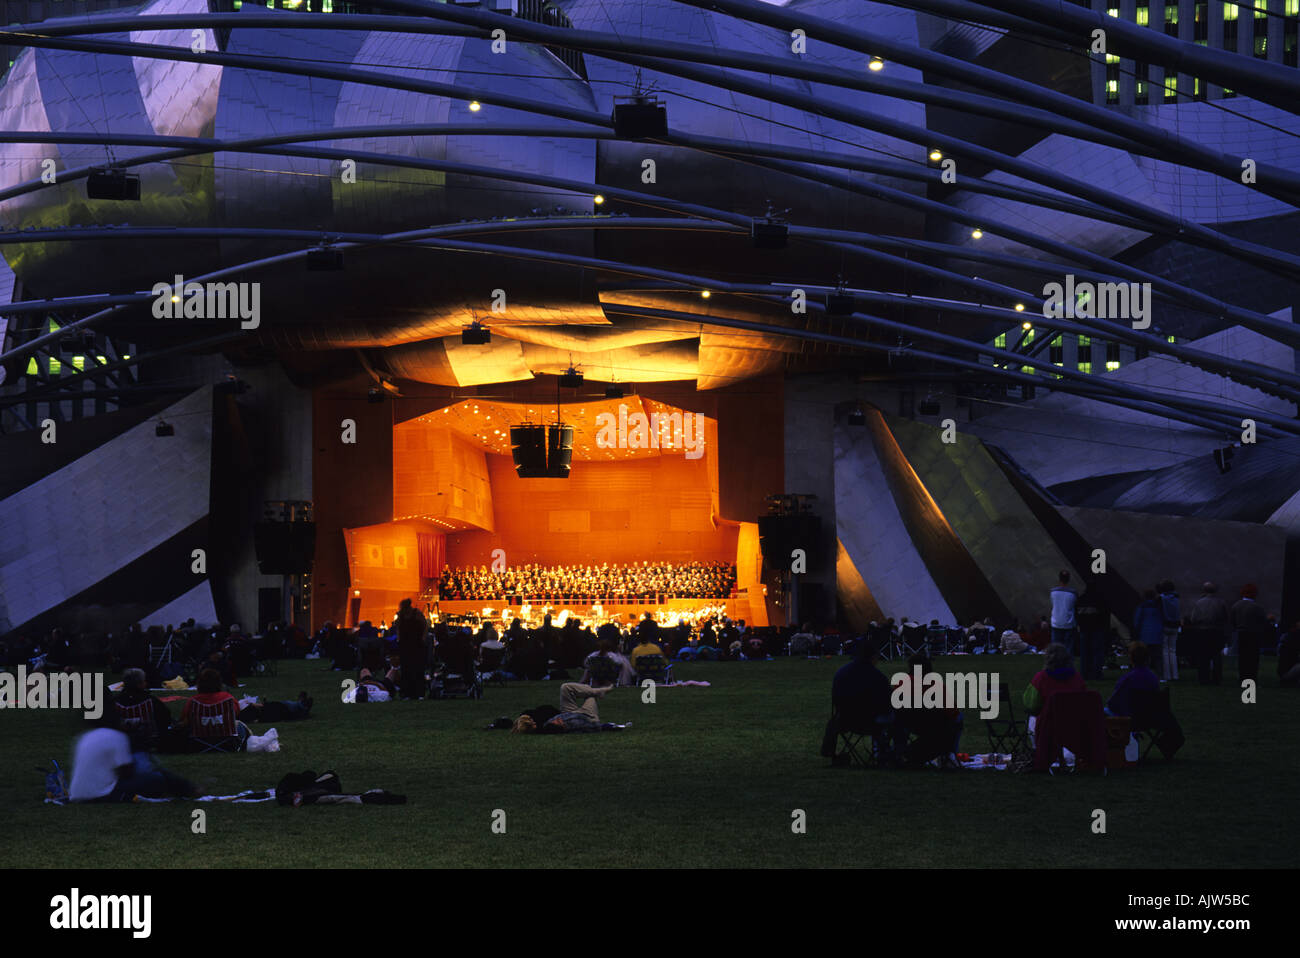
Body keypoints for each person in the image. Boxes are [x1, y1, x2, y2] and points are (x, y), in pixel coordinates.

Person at [68, 710, 196, 802]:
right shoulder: (117, 737)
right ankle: (189, 790)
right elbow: (126, 772)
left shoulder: (84, 737)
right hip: (103, 793)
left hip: (78, 794)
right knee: (157, 778)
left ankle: (187, 788)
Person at [821, 637, 895, 765]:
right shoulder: (878, 677)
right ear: (873, 656)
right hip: (871, 722)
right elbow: (886, 703)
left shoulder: (841, 673)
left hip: (845, 720)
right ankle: (890, 752)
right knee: (895, 718)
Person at [179, 669, 251, 749]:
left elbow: (183, 719)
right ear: (219, 683)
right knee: (240, 725)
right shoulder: (228, 698)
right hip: (226, 741)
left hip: (199, 742)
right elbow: (235, 713)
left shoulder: (193, 701)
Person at [1023, 643, 1087, 718]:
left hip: (1047, 723)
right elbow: (1084, 701)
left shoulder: (1041, 678)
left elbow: (1031, 704)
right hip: (1074, 722)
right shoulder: (1077, 678)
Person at [1106, 642, 1160, 717]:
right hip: (1147, 716)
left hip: (1128, 716)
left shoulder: (1127, 679)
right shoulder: (1153, 678)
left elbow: (1113, 702)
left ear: (1131, 658)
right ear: (1148, 658)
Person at [1190, 582, 1228, 685]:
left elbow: (1193, 619)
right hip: (1217, 631)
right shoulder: (1221, 603)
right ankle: (1217, 679)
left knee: (1203, 656)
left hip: (1202, 632)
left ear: (1204, 590)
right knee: (1216, 656)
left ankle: (1203, 678)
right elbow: (1226, 618)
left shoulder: (1199, 603)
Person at [1230, 584, 1268, 683]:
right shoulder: (1257, 607)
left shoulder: (1236, 606)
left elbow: (1232, 621)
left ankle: (1242, 678)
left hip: (1241, 634)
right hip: (1254, 635)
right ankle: (1252, 678)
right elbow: (1263, 621)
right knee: (1253, 658)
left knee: (1242, 657)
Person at [395, 598, 429, 699]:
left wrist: (423, 638)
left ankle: (419, 692)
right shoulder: (401, 616)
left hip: (417, 644)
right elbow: (398, 627)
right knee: (406, 669)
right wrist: (399, 639)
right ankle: (407, 692)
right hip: (405, 645)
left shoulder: (416, 613)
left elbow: (425, 626)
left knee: (418, 668)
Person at [1075, 580, 1107, 680]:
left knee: (1084, 653)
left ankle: (1084, 673)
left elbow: (1076, 615)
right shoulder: (1099, 599)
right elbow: (1104, 615)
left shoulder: (1080, 599)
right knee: (1097, 652)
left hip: (1084, 629)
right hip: (1097, 629)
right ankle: (1096, 674)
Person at [1132, 589, 1165, 678]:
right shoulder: (1159, 607)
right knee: (1158, 657)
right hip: (1157, 635)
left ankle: (1145, 676)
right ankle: (1160, 675)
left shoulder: (1141, 607)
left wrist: (1136, 631)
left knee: (1145, 657)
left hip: (1144, 635)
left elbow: (1137, 621)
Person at [1158, 580, 1181, 680]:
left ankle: (1167, 675)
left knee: (1164, 651)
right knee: (1173, 651)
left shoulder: (1161, 598)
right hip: (1175, 626)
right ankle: (1175, 675)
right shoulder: (1176, 598)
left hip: (1165, 625)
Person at [1049, 570, 1077, 649]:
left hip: (1056, 623)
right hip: (1069, 623)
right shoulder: (1073, 593)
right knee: (1068, 648)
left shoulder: (1053, 592)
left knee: (1056, 649)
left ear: (1059, 579)